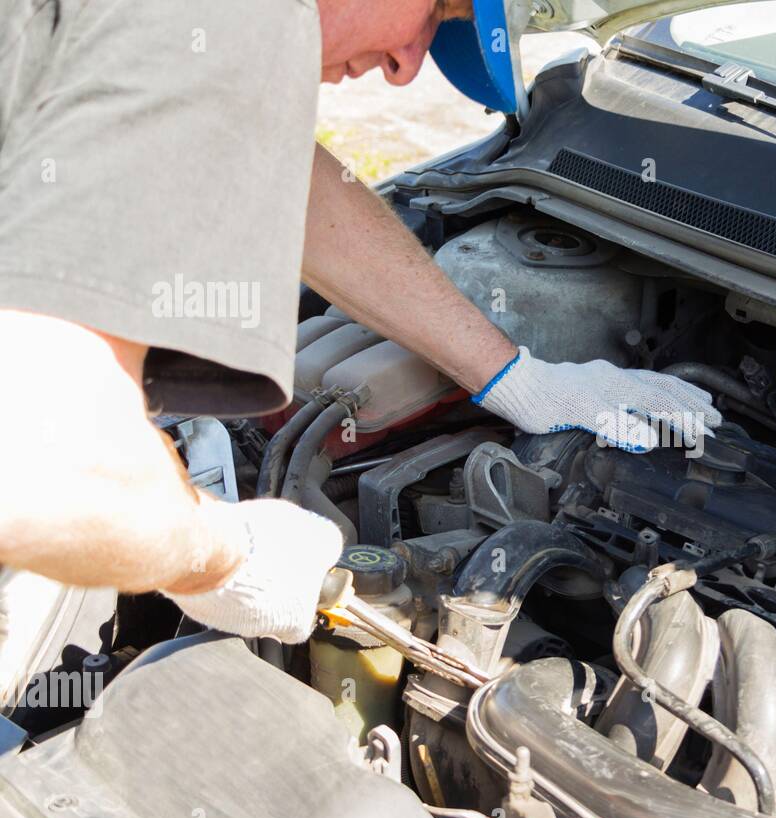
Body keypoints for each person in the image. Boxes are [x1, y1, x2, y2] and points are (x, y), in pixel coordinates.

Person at [0, 0, 719, 649]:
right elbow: (44, 463)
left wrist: (519, 379)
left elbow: (288, 177)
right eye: (438, 11)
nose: (408, 69)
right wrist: (223, 557)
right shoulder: (238, 19)